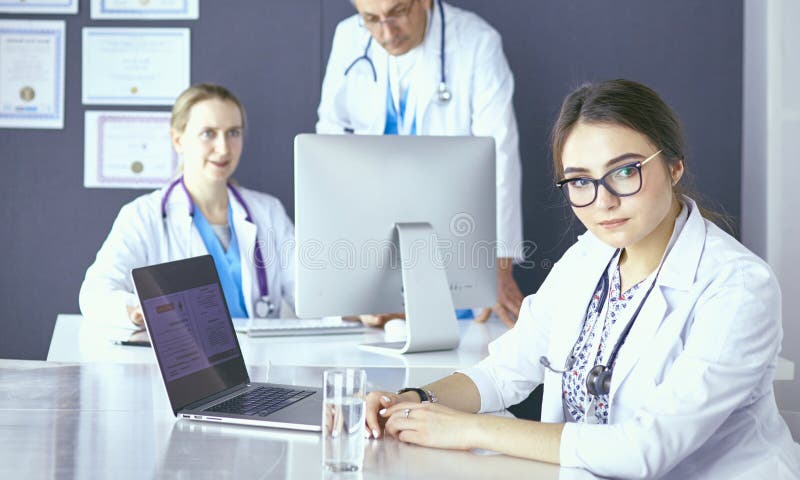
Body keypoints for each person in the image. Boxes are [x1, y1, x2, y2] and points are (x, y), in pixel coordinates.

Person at [362, 79, 800, 479]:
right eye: (580, 181)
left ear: (674, 166)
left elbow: (647, 449)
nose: (603, 201)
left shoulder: (739, 287)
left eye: (625, 171)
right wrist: (415, 401)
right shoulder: (588, 257)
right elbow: (502, 372)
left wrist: (470, 431)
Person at [317, 0, 524, 326]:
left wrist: (496, 266)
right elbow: (328, 143)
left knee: (458, 343)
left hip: (453, 230)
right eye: (371, 19)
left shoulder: (476, 41)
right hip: (373, 235)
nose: (386, 33)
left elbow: (498, 155)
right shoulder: (348, 37)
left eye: (398, 12)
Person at [79, 84, 295, 328]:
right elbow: (95, 294)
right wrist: (136, 310)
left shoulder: (268, 212)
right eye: (208, 133)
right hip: (190, 361)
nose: (223, 148)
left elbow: (308, 291)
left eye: (233, 132)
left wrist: (340, 313)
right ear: (178, 140)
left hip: (262, 359)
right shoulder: (143, 216)